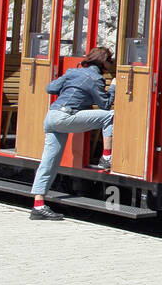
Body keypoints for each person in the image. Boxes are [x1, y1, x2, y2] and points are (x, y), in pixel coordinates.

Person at [29, 47, 116, 221]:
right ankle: (106, 157)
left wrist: (71, 86)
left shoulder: (72, 72)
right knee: (110, 116)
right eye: (110, 60)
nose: (111, 64)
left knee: (49, 162)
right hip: (65, 116)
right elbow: (106, 104)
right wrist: (113, 87)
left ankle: (38, 207)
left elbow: (50, 88)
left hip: (52, 116)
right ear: (102, 61)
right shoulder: (96, 78)